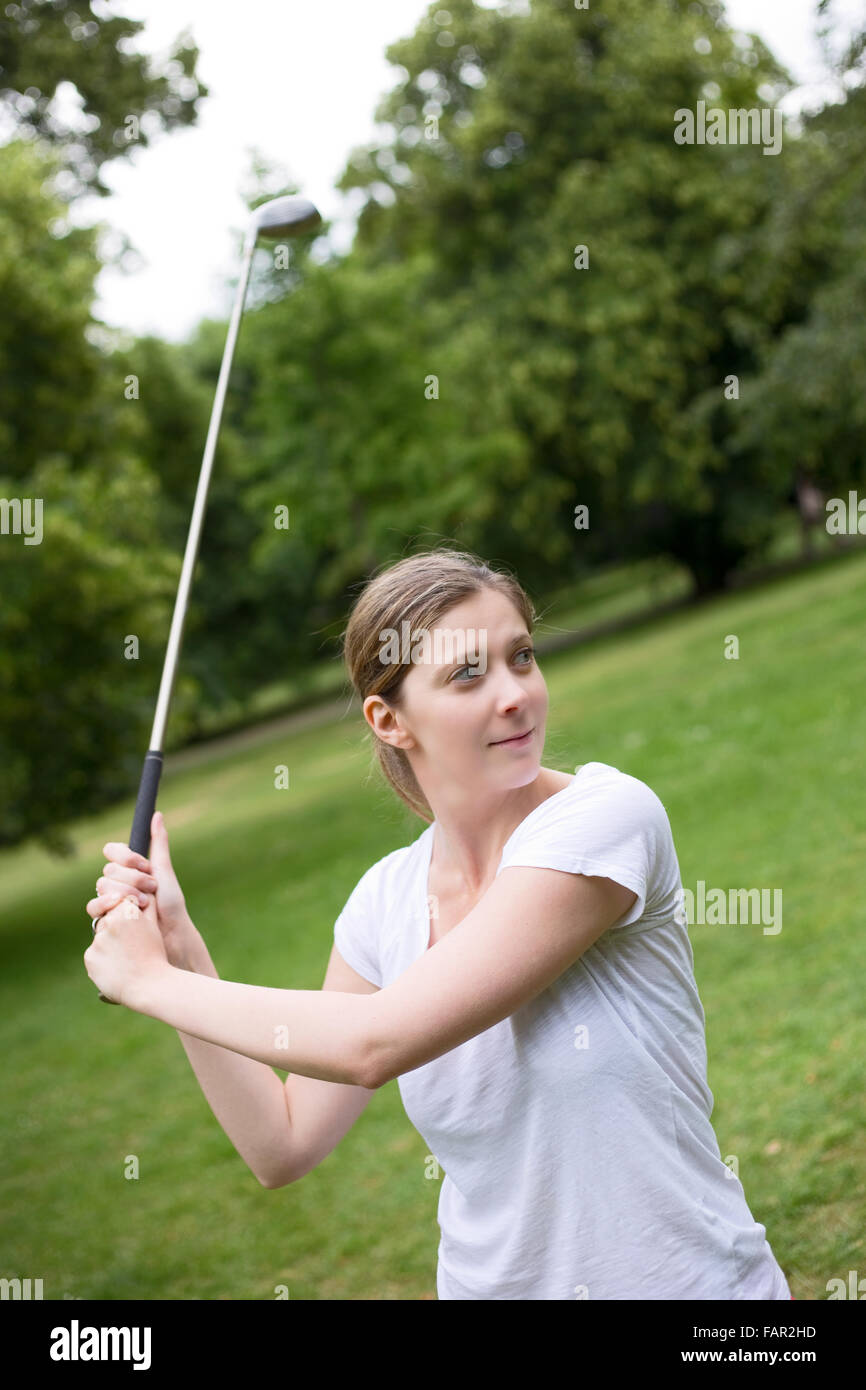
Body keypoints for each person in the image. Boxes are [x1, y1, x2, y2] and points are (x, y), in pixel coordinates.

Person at [85, 546, 793, 1301]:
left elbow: (374, 1043)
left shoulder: (606, 821)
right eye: (468, 674)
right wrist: (182, 953)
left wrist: (147, 982)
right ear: (389, 720)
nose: (515, 694)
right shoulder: (382, 903)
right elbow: (283, 1144)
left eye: (521, 657)